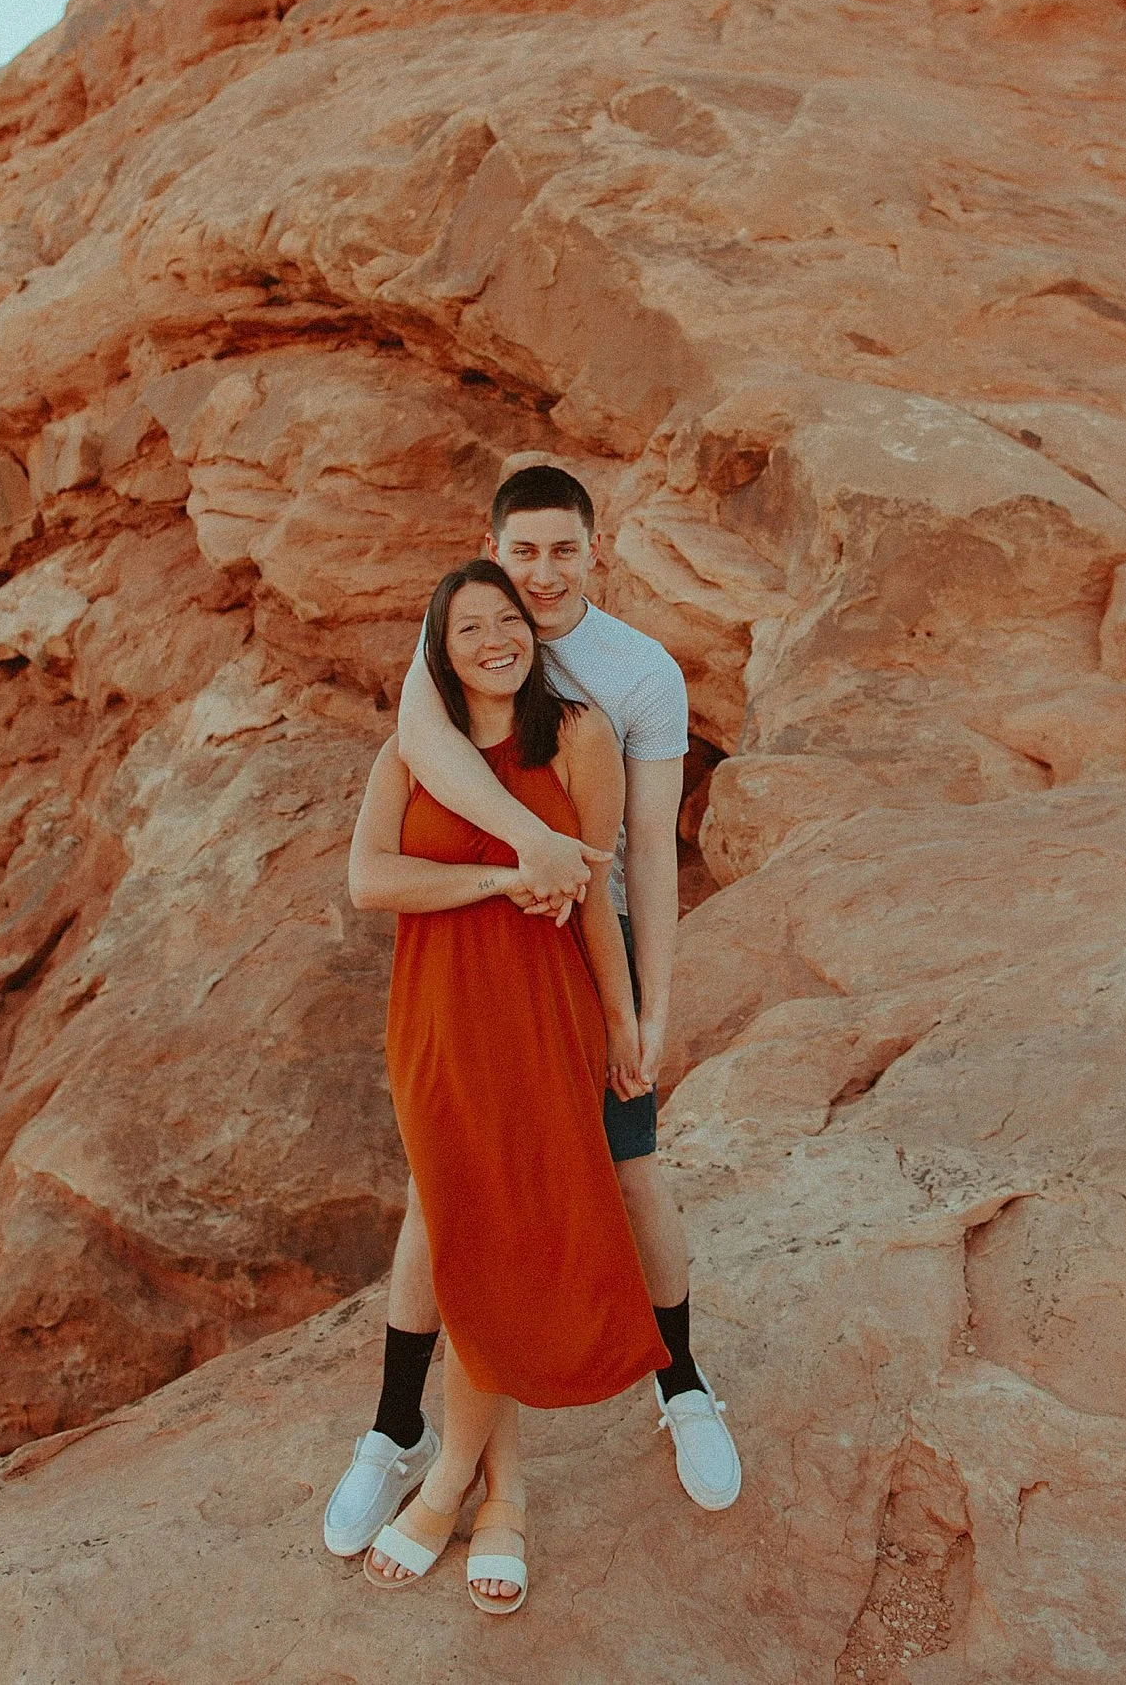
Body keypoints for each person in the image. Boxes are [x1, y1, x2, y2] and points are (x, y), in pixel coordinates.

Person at [323, 467, 741, 1566]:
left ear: (595, 549)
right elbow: (421, 765)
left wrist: (648, 1006)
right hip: (479, 963)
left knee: (632, 1171)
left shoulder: (636, 676)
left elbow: (643, 856)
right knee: (444, 1199)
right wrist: (529, 854)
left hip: (586, 955)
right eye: (524, 553)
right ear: (494, 549)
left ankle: (682, 1383)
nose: (542, 575)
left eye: (563, 550)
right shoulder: (452, 648)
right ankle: (397, 1427)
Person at [347, 559, 668, 1609]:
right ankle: (497, 1486)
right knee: (462, 1231)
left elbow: (595, 892)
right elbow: (371, 880)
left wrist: (623, 1024)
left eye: (508, 620)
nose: (496, 640)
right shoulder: (412, 750)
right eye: (469, 628)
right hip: (439, 1019)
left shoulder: (577, 735)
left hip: (542, 1016)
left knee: (507, 1239)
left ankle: (460, 1484)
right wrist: (501, 874)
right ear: (439, 652)